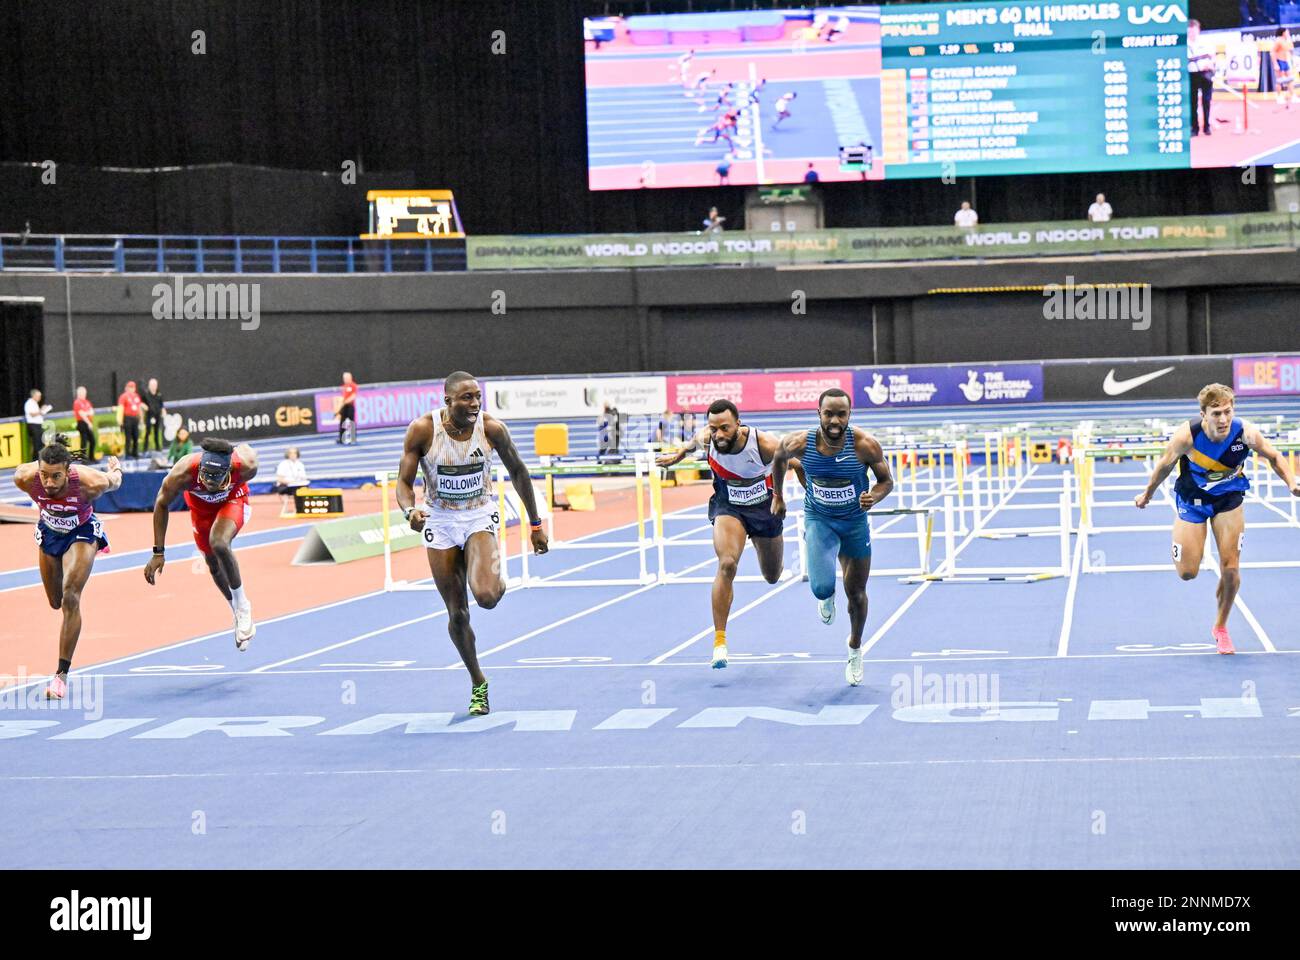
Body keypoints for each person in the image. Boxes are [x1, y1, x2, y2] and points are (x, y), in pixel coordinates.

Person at [395, 372, 549, 716]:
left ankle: (494, 579)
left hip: (479, 515)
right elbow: (404, 483)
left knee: (487, 597)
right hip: (440, 521)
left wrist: (536, 523)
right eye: (466, 398)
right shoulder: (422, 430)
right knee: (458, 614)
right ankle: (478, 682)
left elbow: (520, 471)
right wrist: (410, 512)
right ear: (447, 401)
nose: (475, 404)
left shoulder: (492, 429)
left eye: (478, 397)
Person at [1134, 383, 1300, 654]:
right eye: (1216, 413)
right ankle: (1183, 541)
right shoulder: (1186, 437)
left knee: (1231, 570)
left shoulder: (1245, 432)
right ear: (1204, 415)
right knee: (1188, 572)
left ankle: (1221, 627)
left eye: (1227, 412)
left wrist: (1291, 483)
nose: (1223, 419)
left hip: (1229, 499)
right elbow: (1164, 466)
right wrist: (1147, 494)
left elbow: (1274, 456)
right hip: (1193, 500)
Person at [771, 388, 894, 686]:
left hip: (854, 523)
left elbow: (886, 481)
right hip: (820, 520)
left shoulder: (866, 445)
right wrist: (778, 496)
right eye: (829, 414)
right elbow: (778, 458)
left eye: (841, 414)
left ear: (850, 415)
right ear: (819, 415)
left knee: (857, 593)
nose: (835, 420)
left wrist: (874, 497)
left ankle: (854, 648)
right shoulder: (799, 443)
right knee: (822, 588)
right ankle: (826, 598)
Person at [656, 400, 786, 668]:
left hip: (764, 508)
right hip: (729, 505)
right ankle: (719, 642)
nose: (719, 435)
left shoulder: (764, 443)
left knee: (772, 576)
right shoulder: (707, 438)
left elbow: (794, 462)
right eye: (714, 429)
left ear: (738, 424)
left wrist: (782, 497)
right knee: (727, 563)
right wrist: (677, 456)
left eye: (725, 428)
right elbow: (693, 443)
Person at [11, 437, 122, 699]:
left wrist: (115, 469)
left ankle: (61, 675)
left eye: (56, 477)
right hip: (49, 532)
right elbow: (39, 470)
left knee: (70, 596)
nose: (49, 483)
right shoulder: (24, 478)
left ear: (68, 471)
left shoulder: (89, 483)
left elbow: (114, 482)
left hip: (81, 531)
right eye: (44, 476)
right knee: (55, 600)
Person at [144, 438, 261, 649]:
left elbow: (246, 450)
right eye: (205, 474)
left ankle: (243, 605)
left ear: (228, 470)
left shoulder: (246, 467)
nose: (209, 481)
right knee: (213, 564)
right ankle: (235, 609)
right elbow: (161, 504)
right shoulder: (183, 473)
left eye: (216, 477)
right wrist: (158, 552)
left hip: (233, 501)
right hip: (201, 513)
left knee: (219, 543)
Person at [1188, 19, 1216, 136]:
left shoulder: (1206, 43)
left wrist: (1210, 64)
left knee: (1206, 101)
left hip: (1205, 74)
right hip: (1192, 74)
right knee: (1193, 102)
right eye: (1190, 32)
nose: (1192, 34)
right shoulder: (1185, 45)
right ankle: (1195, 128)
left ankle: (1207, 126)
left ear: (1198, 30)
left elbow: (1213, 57)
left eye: (1194, 31)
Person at [273, 446, 310, 517]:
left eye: (294, 453)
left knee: (304, 487)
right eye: (291, 453)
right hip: (285, 487)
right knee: (295, 489)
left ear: (297, 454)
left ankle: (302, 507)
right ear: (288, 455)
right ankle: (298, 508)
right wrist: (289, 482)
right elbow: (279, 479)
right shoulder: (283, 464)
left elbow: (304, 477)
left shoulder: (300, 464)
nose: (293, 455)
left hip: (297, 485)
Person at [23, 388, 52, 459]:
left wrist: (42, 409)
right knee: (37, 445)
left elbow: (37, 413)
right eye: (38, 396)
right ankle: (35, 460)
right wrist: (41, 410)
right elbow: (32, 414)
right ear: (34, 395)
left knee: (41, 444)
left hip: (38, 425)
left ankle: (41, 459)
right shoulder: (29, 403)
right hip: (33, 426)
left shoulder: (34, 403)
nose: (40, 398)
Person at [117, 380, 143, 459]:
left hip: (135, 418)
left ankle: (135, 452)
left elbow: (139, 408)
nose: (131, 389)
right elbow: (120, 409)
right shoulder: (123, 397)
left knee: (136, 436)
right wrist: (120, 420)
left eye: (133, 387)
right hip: (127, 418)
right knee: (128, 437)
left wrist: (141, 418)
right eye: (130, 387)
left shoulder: (136, 396)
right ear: (127, 388)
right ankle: (128, 453)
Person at [72, 386, 96, 462]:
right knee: (84, 442)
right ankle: (83, 460)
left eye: (85, 393)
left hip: (88, 423)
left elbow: (92, 411)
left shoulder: (87, 402)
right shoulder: (77, 402)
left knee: (93, 441)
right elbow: (82, 414)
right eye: (82, 393)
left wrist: (87, 413)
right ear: (79, 393)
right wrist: (88, 422)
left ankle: (91, 457)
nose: (84, 394)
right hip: (82, 423)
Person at [142, 378, 166, 452]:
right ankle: (145, 448)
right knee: (148, 432)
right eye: (152, 385)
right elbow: (141, 403)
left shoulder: (159, 394)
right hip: (149, 415)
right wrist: (143, 406)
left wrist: (163, 411)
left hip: (157, 415)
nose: (153, 386)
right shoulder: (145, 394)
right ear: (149, 386)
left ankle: (157, 447)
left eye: (155, 385)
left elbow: (162, 405)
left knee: (156, 432)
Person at [1275, 27, 1294, 109]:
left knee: (1290, 79)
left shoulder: (1287, 40)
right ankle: (1279, 97)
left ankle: (1292, 95)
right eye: (1287, 32)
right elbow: (1272, 52)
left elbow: (1291, 49)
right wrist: (1275, 64)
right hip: (1279, 61)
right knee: (1280, 80)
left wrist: (1289, 40)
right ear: (1283, 33)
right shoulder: (1278, 41)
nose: (1288, 33)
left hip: (1286, 61)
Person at [338, 371, 358, 444]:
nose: (345, 379)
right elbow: (343, 397)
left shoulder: (353, 385)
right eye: (344, 378)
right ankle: (341, 439)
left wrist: (346, 401)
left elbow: (353, 396)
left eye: (346, 378)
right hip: (344, 406)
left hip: (350, 406)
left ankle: (352, 438)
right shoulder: (343, 386)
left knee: (351, 422)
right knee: (342, 422)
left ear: (350, 378)